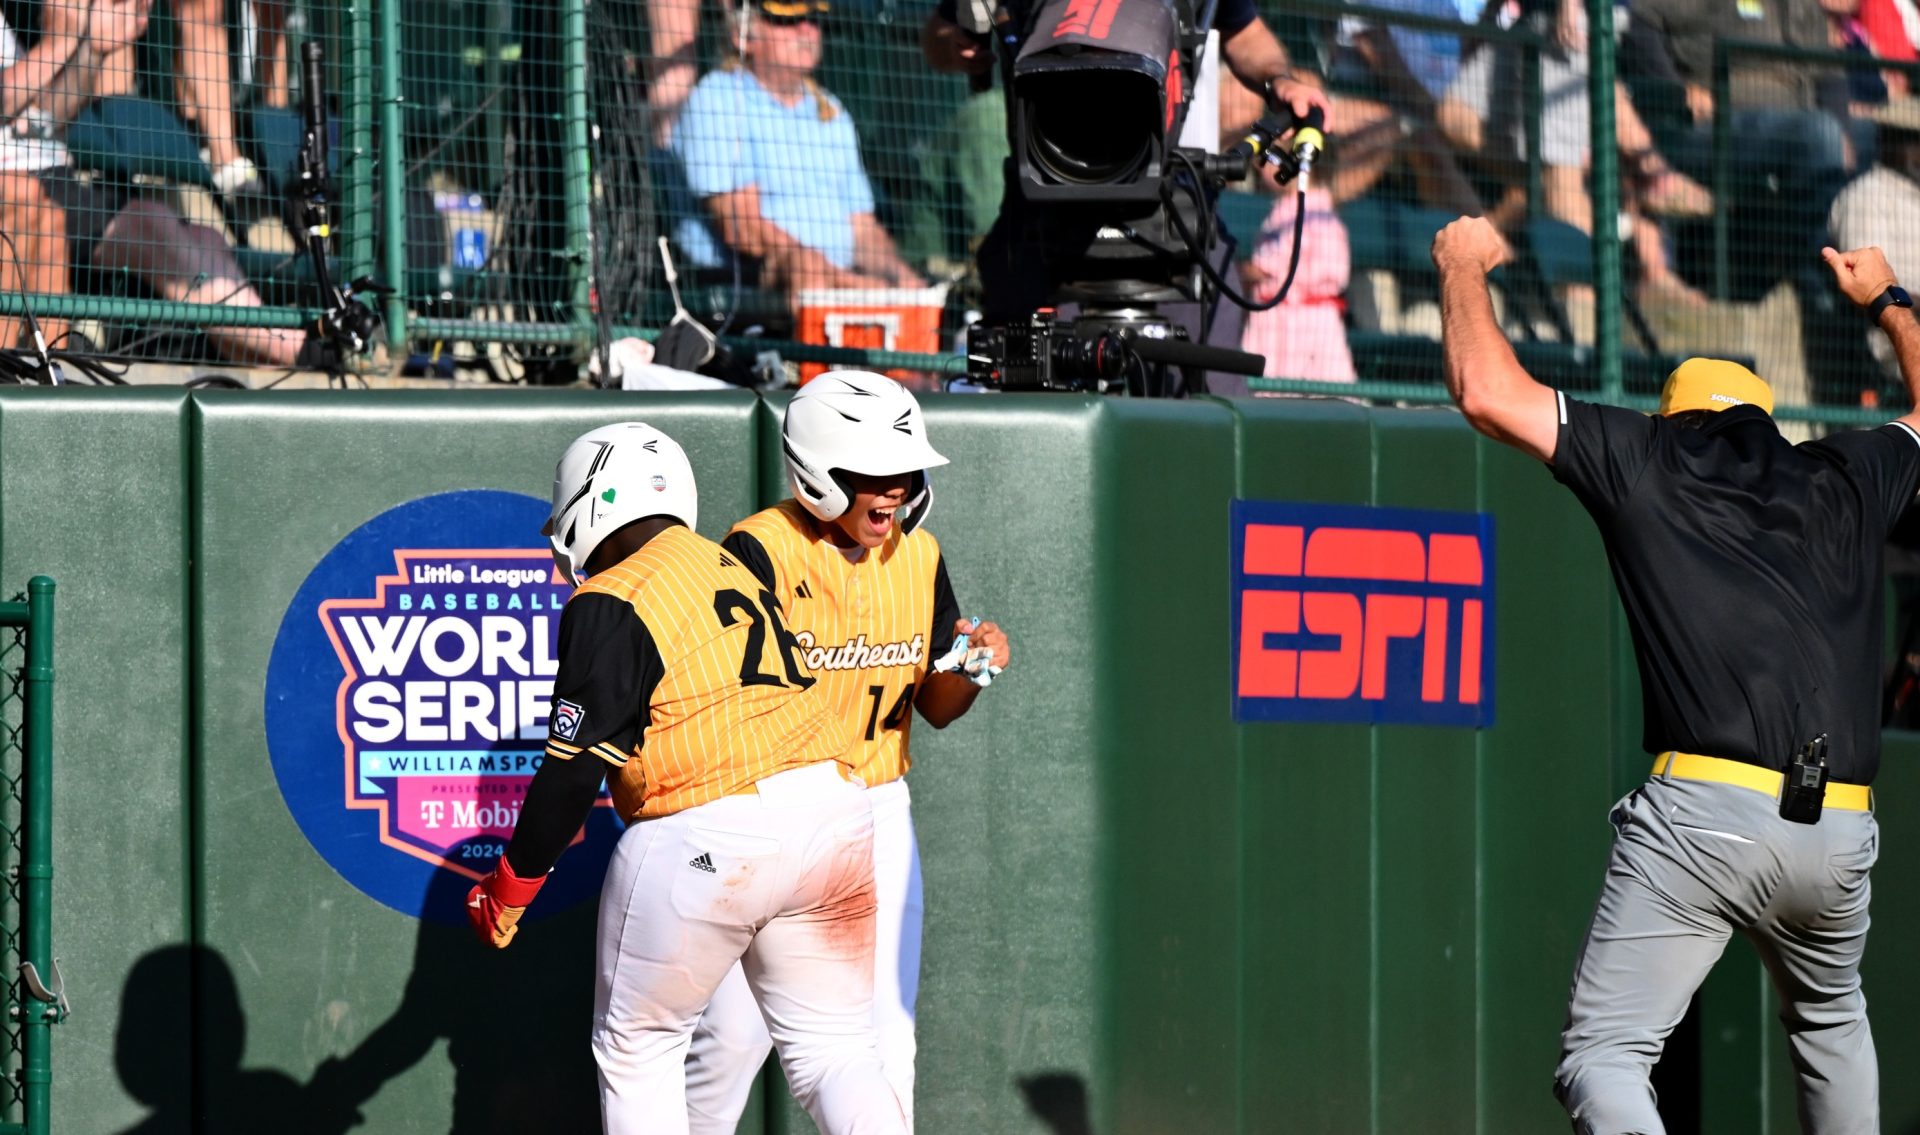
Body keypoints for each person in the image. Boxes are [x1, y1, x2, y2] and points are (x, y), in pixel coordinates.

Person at [1432, 213, 1920, 1134]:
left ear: (1676, 416)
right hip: (1841, 825)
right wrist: (1890, 301)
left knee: (1607, 1057)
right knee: (1831, 1017)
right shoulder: (1842, 474)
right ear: (1765, 421)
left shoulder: (1648, 454)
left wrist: (1463, 264)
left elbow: (1484, 390)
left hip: (1707, 817)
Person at [465, 422, 907, 1135]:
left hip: (709, 823)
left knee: (639, 1050)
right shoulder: (726, 564)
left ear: (590, 503)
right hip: (835, 810)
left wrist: (511, 888)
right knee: (836, 1054)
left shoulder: (615, 590)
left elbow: (573, 770)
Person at [682, 372, 1011, 1131]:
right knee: (734, 1033)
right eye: (873, 472)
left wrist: (973, 668)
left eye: (903, 471)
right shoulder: (759, 546)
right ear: (819, 467)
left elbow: (932, 707)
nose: (894, 490)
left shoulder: (919, 555)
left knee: (888, 1038)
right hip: (774, 808)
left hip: (878, 806)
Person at [921, 0, 1333, 394]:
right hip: (1040, 216)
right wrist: (956, 46)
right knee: (1034, 410)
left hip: (1167, 212)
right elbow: (940, 38)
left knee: (1210, 415)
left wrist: (1280, 80)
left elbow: (1245, 33)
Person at [0, 0, 304, 365]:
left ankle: (271, 355)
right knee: (50, 210)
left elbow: (47, 117)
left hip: (53, 174)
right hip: (18, 183)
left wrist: (93, 49)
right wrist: (63, 42)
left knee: (204, 237)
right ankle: (301, 348)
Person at [669, 0, 925, 312]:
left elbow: (862, 228)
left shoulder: (830, 111)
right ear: (743, 37)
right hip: (752, 284)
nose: (807, 30)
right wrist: (847, 283)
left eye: (814, 20)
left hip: (838, 281)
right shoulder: (718, 99)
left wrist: (905, 282)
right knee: (807, 269)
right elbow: (742, 227)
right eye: (787, 21)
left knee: (916, 296)